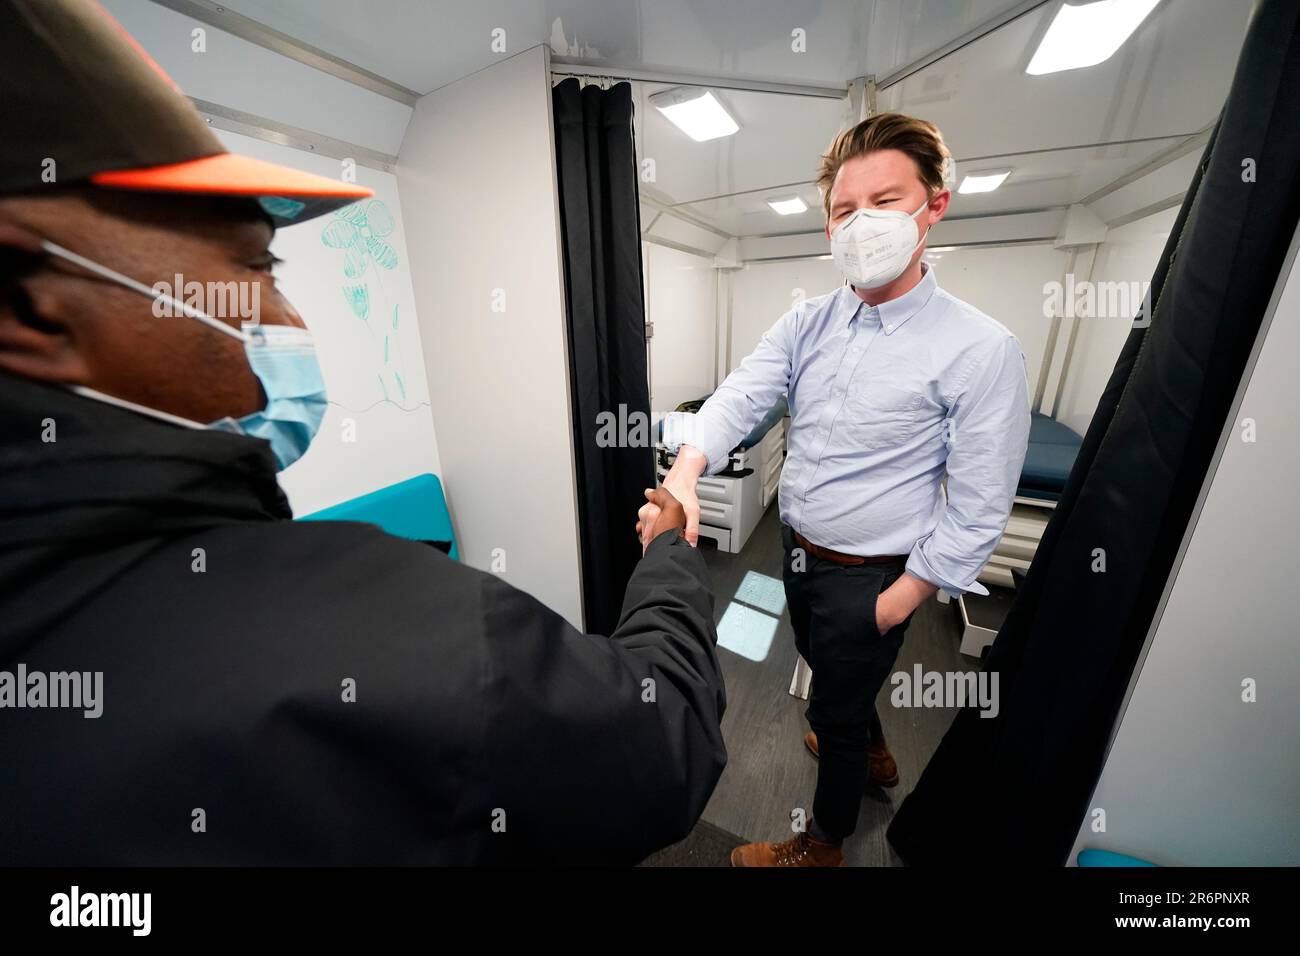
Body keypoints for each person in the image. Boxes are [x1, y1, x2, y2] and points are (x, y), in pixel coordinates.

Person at [0, 0, 725, 865]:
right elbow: (661, 740)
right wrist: (669, 555)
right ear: (29, 302)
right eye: (250, 268)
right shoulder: (389, 631)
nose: (285, 317)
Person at [643, 112, 1032, 866]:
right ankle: (871, 746)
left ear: (933, 207)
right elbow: (740, 396)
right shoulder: (807, 323)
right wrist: (685, 478)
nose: (863, 225)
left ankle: (822, 846)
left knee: (836, 708)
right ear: (827, 225)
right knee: (835, 685)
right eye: (845, 211)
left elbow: (981, 502)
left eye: (885, 202)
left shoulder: (980, 349)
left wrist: (899, 600)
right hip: (797, 555)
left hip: (873, 577)